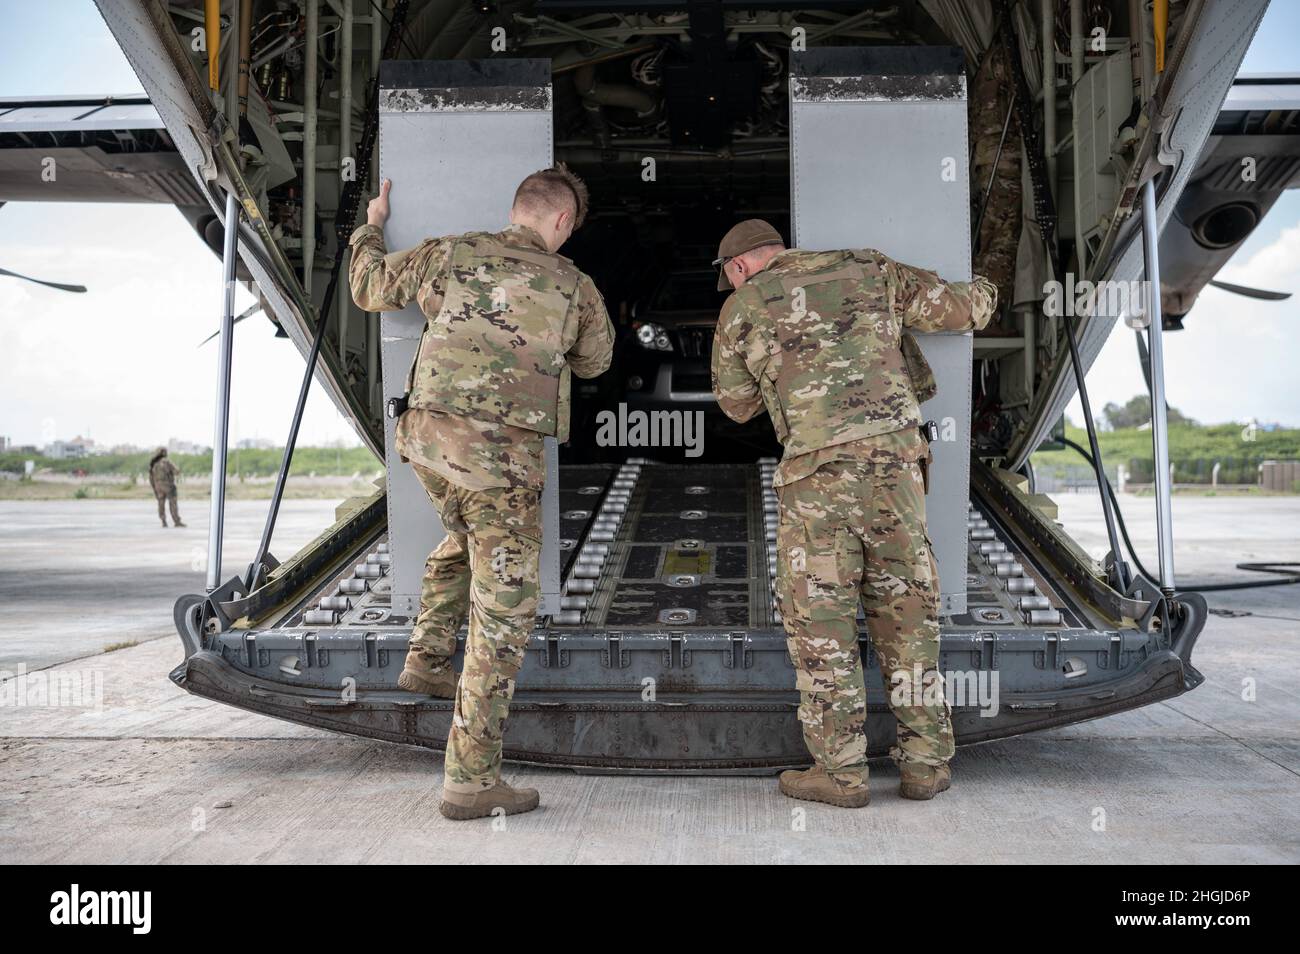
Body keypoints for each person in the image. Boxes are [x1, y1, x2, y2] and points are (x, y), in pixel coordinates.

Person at [349, 166, 614, 819]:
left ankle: (428, 657)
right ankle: (470, 779)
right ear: (560, 222)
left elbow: (368, 289)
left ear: (518, 208)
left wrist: (373, 227)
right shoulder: (573, 284)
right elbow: (597, 361)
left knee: (465, 534)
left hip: (428, 446)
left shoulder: (450, 252)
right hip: (501, 466)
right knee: (504, 617)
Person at [710, 219, 996, 806]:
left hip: (816, 481)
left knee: (822, 626)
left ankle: (840, 773)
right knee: (908, 617)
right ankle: (924, 765)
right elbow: (963, 310)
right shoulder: (871, 268)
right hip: (895, 470)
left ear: (738, 267)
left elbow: (735, 406)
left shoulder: (743, 306)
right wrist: (989, 284)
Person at [148, 447, 184, 528]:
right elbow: (177, 471)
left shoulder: (153, 464)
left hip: (158, 487)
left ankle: (163, 521)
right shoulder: (166, 462)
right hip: (168, 486)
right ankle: (176, 521)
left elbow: (150, 478)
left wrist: (154, 487)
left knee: (161, 504)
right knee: (173, 503)